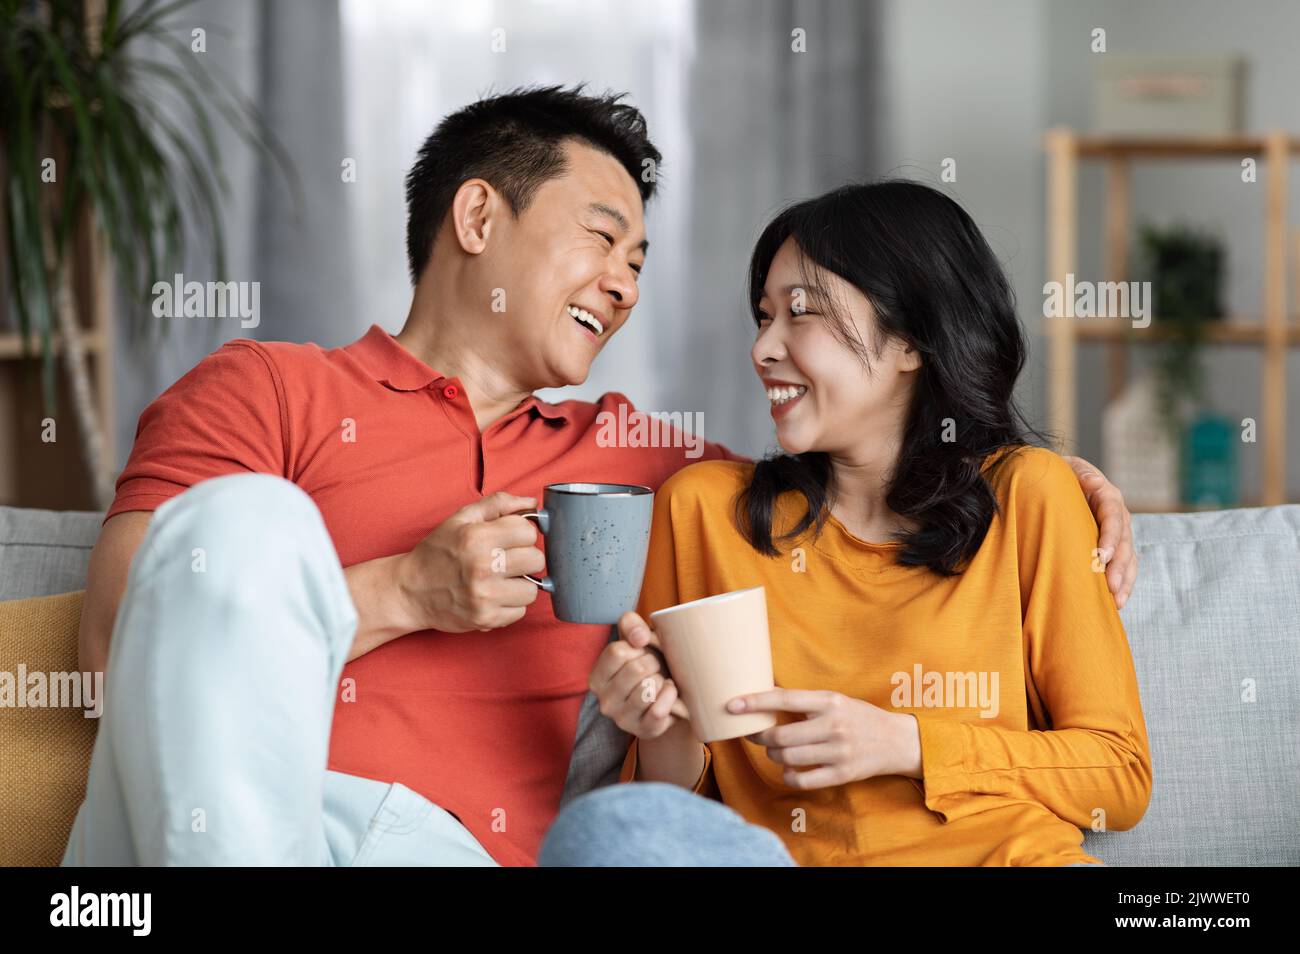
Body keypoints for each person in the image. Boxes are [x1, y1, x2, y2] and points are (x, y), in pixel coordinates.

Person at [64, 88, 1136, 868]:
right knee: (248, 520)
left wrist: (1018, 463)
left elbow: (859, 466)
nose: (625, 282)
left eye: (640, 261)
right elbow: (123, 646)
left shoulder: (650, 470)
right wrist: (403, 591)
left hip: (451, 855)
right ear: (478, 219)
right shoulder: (265, 388)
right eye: (602, 237)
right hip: (209, 829)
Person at [551, 180, 1151, 866]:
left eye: (800, 313)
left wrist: (906, 744)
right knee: (606, 835)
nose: (763, 348)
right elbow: (679, 814)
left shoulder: (1029, 496)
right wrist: (660, 723)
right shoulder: (703, 512)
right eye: (762, 315)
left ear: (911, 342)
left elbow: (1119, 774)